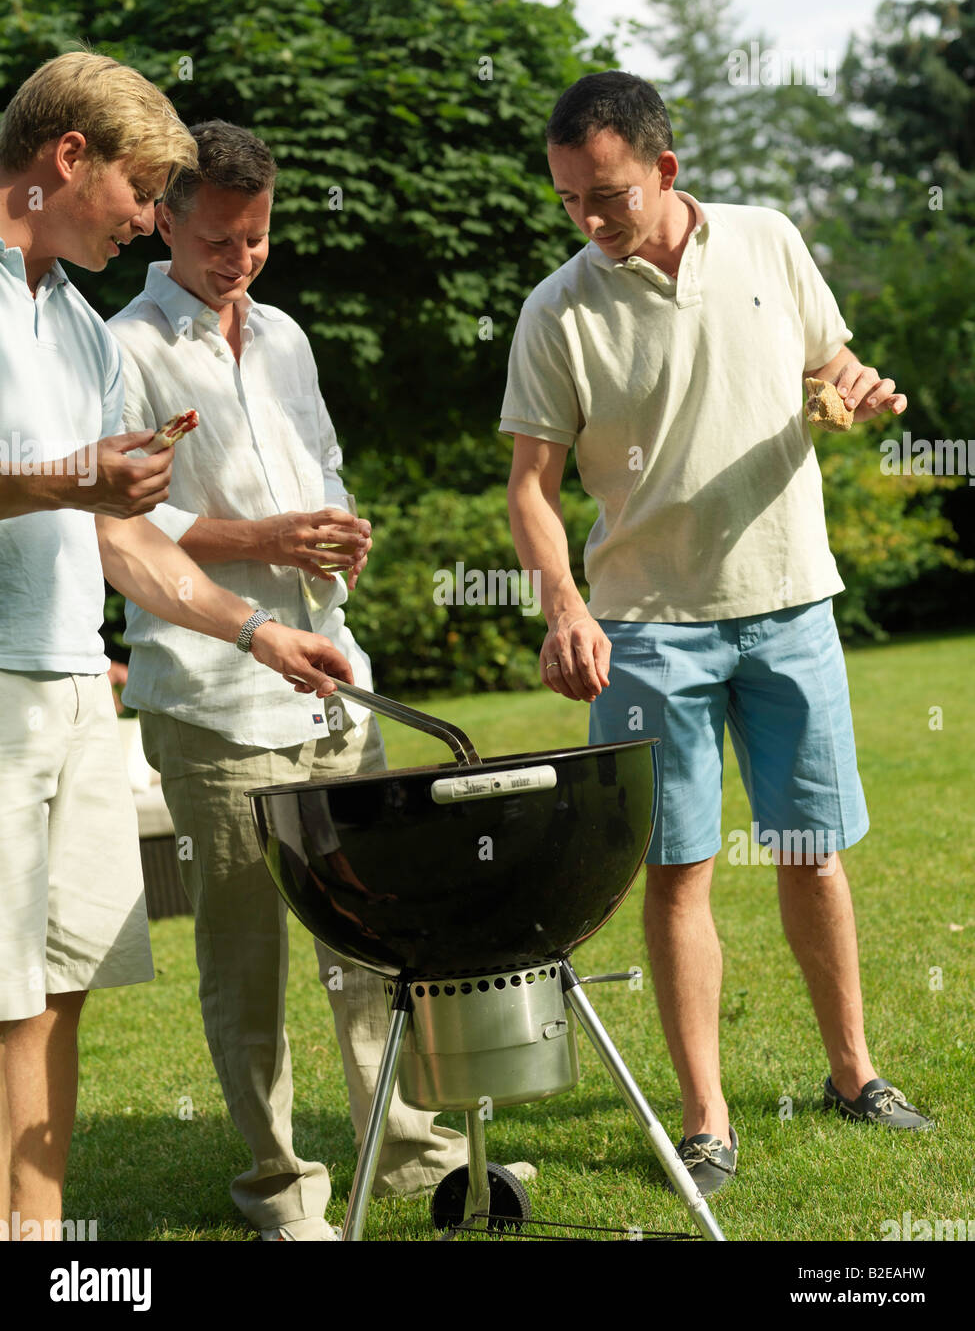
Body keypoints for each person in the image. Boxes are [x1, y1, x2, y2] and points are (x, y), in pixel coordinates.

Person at [501, 70, 932, 1197]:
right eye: (570, 201)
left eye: (609, 196)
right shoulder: (558, 309)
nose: (591, 220)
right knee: (677, 870)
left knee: (812, 853)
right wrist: (565, 602)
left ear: (667, 171)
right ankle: (706, 1118)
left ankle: (854, 1073)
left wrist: (858, 386)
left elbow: (823, 365)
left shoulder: (769, 241)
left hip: (791, 600)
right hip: (647, 633)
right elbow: (532, 488)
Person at [107, 120, 483, 1242]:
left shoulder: (286, 336)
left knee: (366, 934)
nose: (242, 257)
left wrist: (337, 530)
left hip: (332, 680)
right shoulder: (121, 345)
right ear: (165, 217)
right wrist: (264, 534)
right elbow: (125, 523)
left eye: (260, 236)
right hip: (211, 689)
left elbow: (322, 465)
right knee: (245, 956)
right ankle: (278, 1186)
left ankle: (404, 1142)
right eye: (221, 238)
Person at [0, 53, 354, 1241]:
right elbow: (79, 491)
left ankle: (37, 1239)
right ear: (67, 158)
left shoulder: (76, 328)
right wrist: (71, 477)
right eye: (142, 191)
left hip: (73, 691)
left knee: (58, 987)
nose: (152, 219)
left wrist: (261, 632)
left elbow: (126, 540)